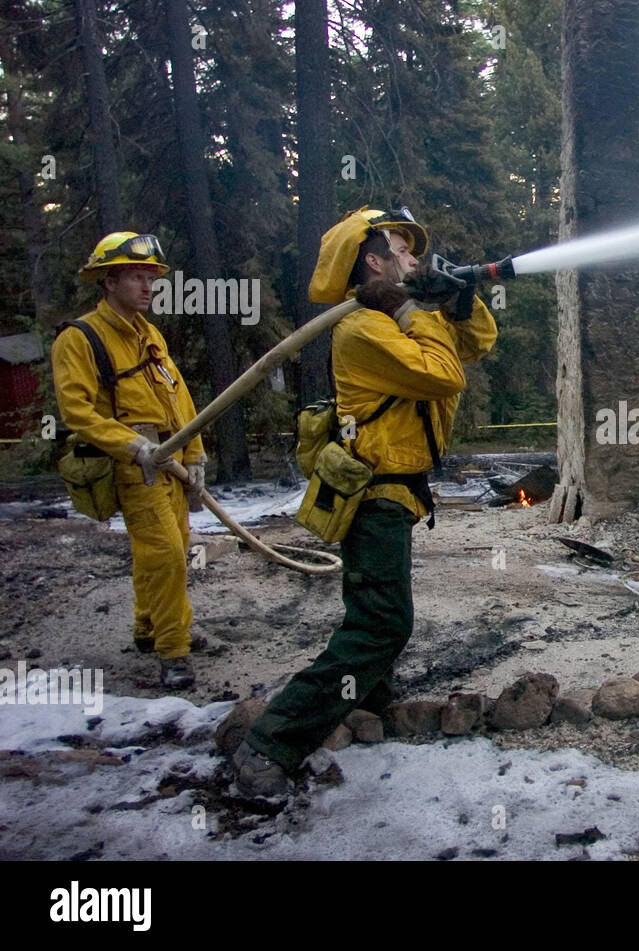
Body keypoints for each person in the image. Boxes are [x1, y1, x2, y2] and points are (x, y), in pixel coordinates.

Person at [233, 207, 497, 795]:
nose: (417, 260)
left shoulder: (402, 318)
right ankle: (269, 745)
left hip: (395, 490)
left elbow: (475, 344)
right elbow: (444, 374)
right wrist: (411, 309)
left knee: (370, 611)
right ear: (374, 262)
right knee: (383, 623)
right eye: (403, 252)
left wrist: (457, 300)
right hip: (376, 493)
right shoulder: (363, 329)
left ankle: (369, 700)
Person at [50, 232, 208, 689]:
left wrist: (194, 453)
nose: (148, 286)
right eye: (138, 277)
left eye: (151, 278)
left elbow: (180, 396)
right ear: (108, 281)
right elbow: (78, 411)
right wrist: (133, 446)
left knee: (165, 547)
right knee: (168, 556)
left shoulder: (149, 333)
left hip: (172, 464)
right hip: (136, 467)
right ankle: (173, 651)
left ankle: (149, 627)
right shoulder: (80, 339)